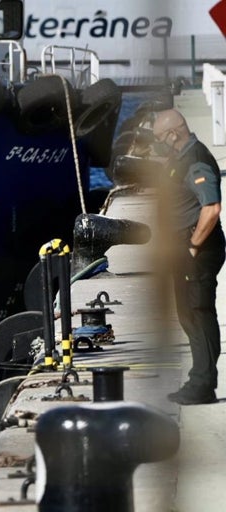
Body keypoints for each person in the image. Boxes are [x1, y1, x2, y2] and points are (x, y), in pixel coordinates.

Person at [150, 109, 225, 405]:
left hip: (197, 252)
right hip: (184, 250)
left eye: (159, 138)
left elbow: (212, 208)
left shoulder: (196, 161)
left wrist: (192, 246)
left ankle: (203, 386)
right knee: (188, 315)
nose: (158, 143)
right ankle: (199, 378)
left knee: (198, 313)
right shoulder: (182, 157)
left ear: (172, 134)